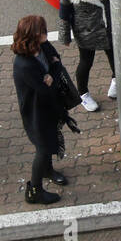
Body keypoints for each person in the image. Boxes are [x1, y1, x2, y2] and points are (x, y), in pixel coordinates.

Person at [12, 15, 74, 205]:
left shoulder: (42, 46)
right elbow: (45, 87)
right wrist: (53, 71)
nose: (45, 34)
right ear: (31, 35)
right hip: (36, 113)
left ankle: (48, 170)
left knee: (49, 142)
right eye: (41, 31)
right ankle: (34, 190)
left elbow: (57, 62)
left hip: (48, 106)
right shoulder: (24, 65)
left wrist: (52, 73)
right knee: (43, 147)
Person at [58, 0, 115, 113]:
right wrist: (65, 35)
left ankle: (116, 80)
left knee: (114, 55)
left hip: (107, 25)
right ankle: (83, 94)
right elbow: (64, 9)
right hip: (85, 29)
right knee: (85, 62)